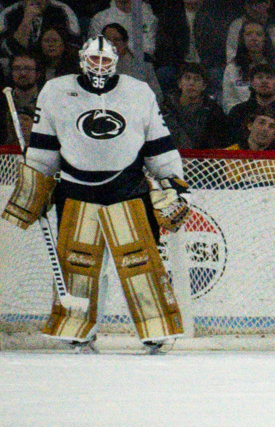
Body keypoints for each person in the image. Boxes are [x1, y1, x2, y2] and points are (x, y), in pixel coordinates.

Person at [2, 37, 189, 352]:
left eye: (104, 60)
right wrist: (34, 187)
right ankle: (78, 330)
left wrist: (173, 181)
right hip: (75, 190)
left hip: (129, 188)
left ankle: (156, 329)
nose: (99, 66)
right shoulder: (56, 91)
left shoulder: (138, 91)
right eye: (94, 60)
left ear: (114, 61)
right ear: (81, 60)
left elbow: (158, 142)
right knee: (78, 264)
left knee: (141, 262)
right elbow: (44, 146)